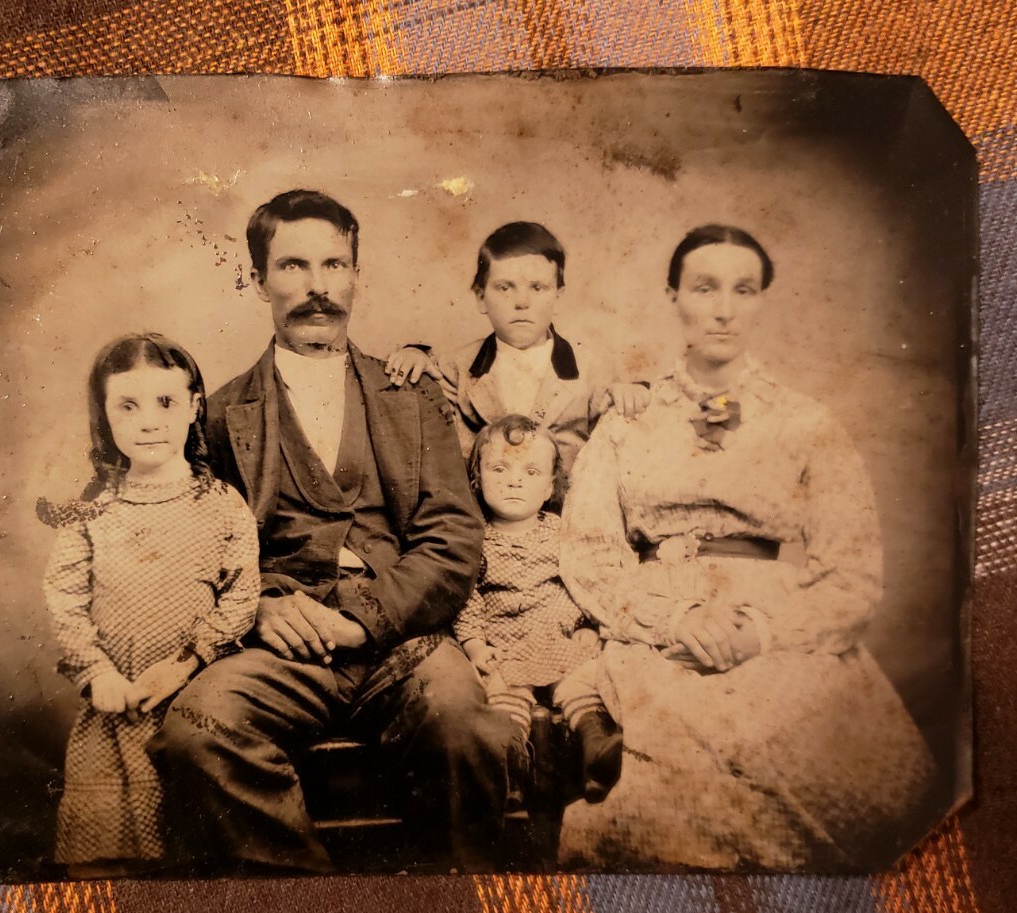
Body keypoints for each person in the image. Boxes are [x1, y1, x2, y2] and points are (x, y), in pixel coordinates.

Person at [149, 189, 519, 875]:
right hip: (280, 642)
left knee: (466, 727)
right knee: (195, 731)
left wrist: (363, 622)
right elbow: (201, 551)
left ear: (356, 273)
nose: (317, 287)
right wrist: (257, 605)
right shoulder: (223, 412)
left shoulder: (413, 396)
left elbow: (452, 539)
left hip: (404, 637)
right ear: (258, 280)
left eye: (334, 264)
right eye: (292, 266)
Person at [556, 225, 935, 870]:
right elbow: (588, 553)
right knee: (678, 754)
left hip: (774, 626)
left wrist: (760, 631)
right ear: (673, 295)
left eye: (743, 289)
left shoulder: (804, 421)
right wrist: (674, 617)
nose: (724, 309)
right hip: (658, 622)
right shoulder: (629, 418)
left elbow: (852, 577)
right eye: (704, 288)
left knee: (820, 753)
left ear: (761, 301)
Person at [40, 333, 260, 874]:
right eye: (128, 406)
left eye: (165, 402)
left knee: (197, 866)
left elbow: (241, 597)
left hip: (193, 700)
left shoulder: (222, 503)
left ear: (194, 407)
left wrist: (188, 663)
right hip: (115, 708)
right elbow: (64, 598)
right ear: (106, 415)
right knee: (105, 864)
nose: (149, 421)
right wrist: (97, 675)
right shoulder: (89, 509)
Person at [384, 221, 648, 482]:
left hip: (566, 514)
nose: (522, 302)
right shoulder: (457, 365)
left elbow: (618, 440)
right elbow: (426, 378)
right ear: (480, 297)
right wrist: (412, 353)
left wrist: (633, 392)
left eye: (537, 287)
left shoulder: (591, 369)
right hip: (482, 516)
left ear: (558, 295)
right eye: (505, 287)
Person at [454, 414, 622, 803]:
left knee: (583, 678)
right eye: (500, 468)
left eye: (531, 472)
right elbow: (466, 600)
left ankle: (595, 743)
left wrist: (586, 625)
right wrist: (475, 645)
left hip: (558, 635)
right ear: (477, 479)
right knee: (502, 691)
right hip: (505, 642)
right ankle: (510, 761)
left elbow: (584, 581)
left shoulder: (563, 531)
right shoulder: (473, 540)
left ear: (549, 487)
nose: (515, 480)